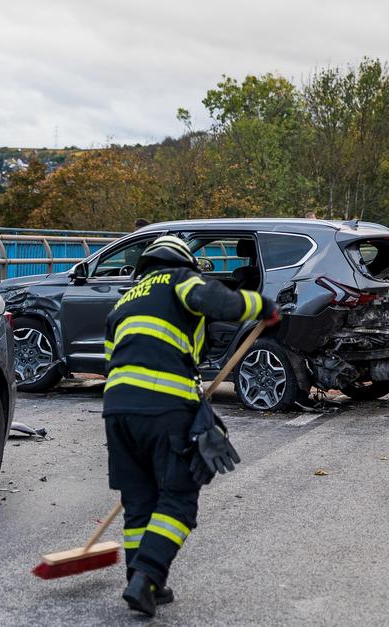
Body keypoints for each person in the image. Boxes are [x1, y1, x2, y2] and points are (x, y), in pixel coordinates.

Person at [103, 235, 279, 617]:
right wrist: (262, 305)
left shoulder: (122, 302)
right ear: (180, 262)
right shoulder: (179, 279)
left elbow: (111, 359)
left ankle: (143, 580)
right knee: (178, 498)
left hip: (116, 411)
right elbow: (216, 301)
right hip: (164, 406)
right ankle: (147, 575)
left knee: (139, 501)